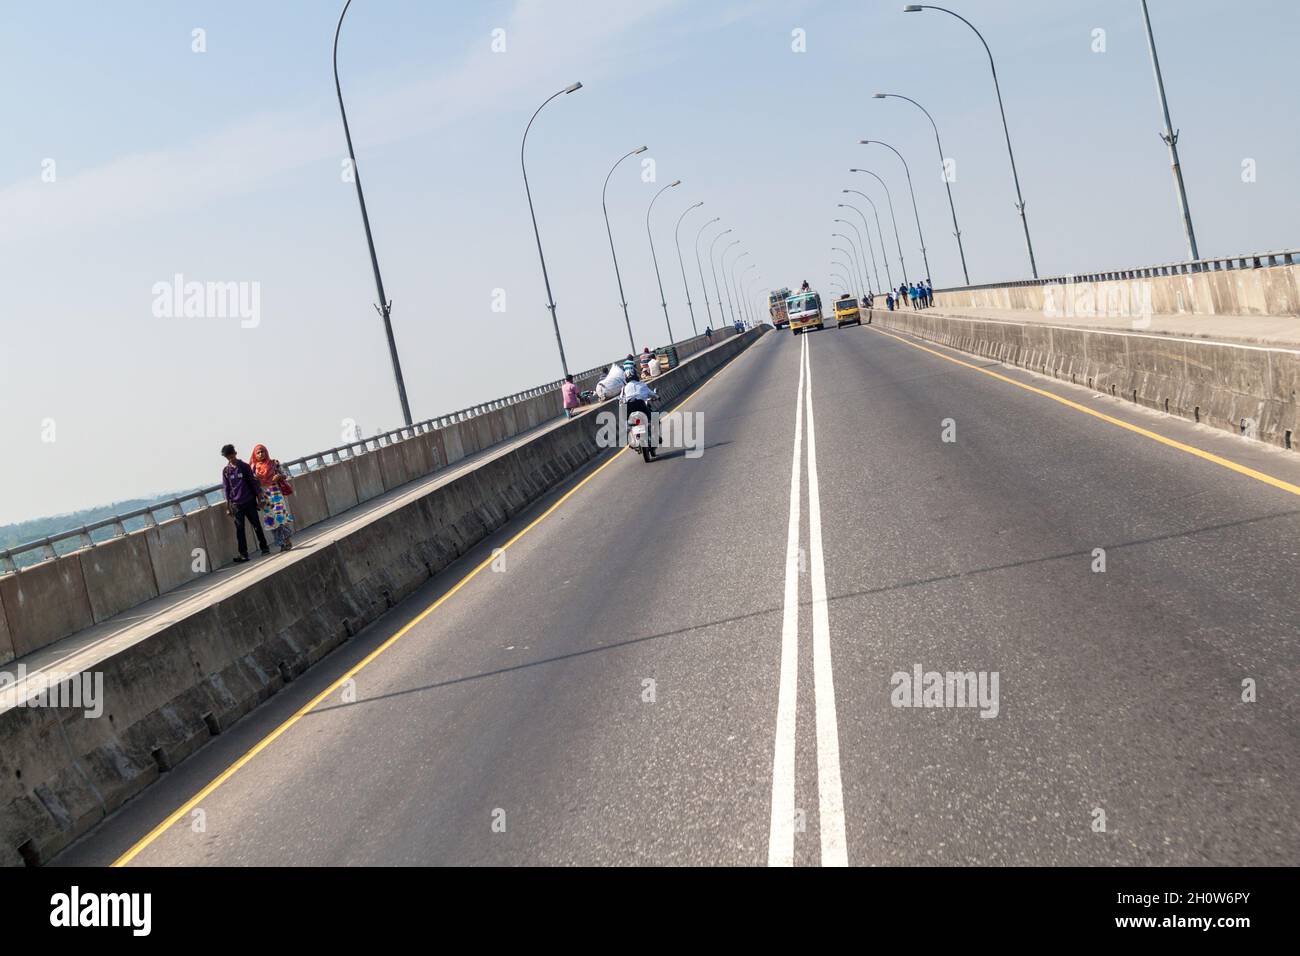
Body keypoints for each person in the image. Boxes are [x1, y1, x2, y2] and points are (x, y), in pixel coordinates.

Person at [221, 444, 269, 562]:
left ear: (235, 453)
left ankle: (264, 547)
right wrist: (228, 507)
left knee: (256, 525)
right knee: (240, 529)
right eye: (228, 458)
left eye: (232, 456)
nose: (231, 459)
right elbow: (226, 489)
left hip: (249, 501)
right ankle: (243, 554)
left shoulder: (244, 466)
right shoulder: (226, 471)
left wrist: (260, 499)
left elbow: (254, 484)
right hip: (236, 505)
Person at [251, 444, 295, 552]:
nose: (261, 454)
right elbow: (252, 484)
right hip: (264, 497)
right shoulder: (253, 468)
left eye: (262, 451)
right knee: (272, 520)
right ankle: (281, 544)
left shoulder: (274, 463)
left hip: (275, 494)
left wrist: (279, 476)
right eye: (258, 452)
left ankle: (287, 541)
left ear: (266, 452)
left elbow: (285, 474)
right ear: (255, 455)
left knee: (281, 517)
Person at [621, 374, 658, 449]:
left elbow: (621, 398)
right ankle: (657, 435)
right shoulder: (642, 385)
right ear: (637, 378)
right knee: (654, 417)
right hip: (641, 405)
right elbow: (651, 393)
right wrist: (657, 397)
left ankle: (630, 440)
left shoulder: (624, 388)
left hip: (630, 407)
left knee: (627, 421)